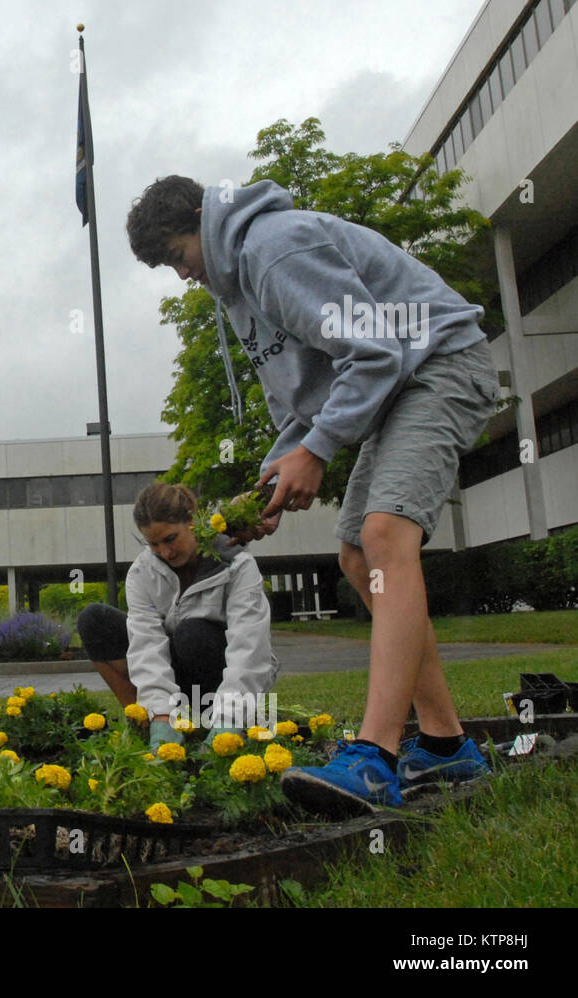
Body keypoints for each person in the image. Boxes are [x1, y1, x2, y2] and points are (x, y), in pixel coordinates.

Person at [126, 175, 498, 812]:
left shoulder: (275, 249)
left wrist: (319, 450)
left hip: (440, 364)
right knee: (358, 555)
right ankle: (446, 745)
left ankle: (376, 757)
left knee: (385, 537)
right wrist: (271, 482)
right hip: (396, 393)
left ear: (200, 220)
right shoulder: (238, 294)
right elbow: (312, 402)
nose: (183, 275)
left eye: (179, 257)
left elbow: (377, 351)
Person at [77, 482, 277, 749]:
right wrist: (161, 713)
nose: (165, 552)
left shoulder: (238, 566)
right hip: (175, 668)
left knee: (192, 633)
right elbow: (147, 643)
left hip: (216, 667)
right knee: (93, 620)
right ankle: (148, 723)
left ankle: (222, 721)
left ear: (192, 521)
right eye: (153, 544)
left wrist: (229, 719)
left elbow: (249, 648)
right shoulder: (141, 573)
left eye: (170, 539)